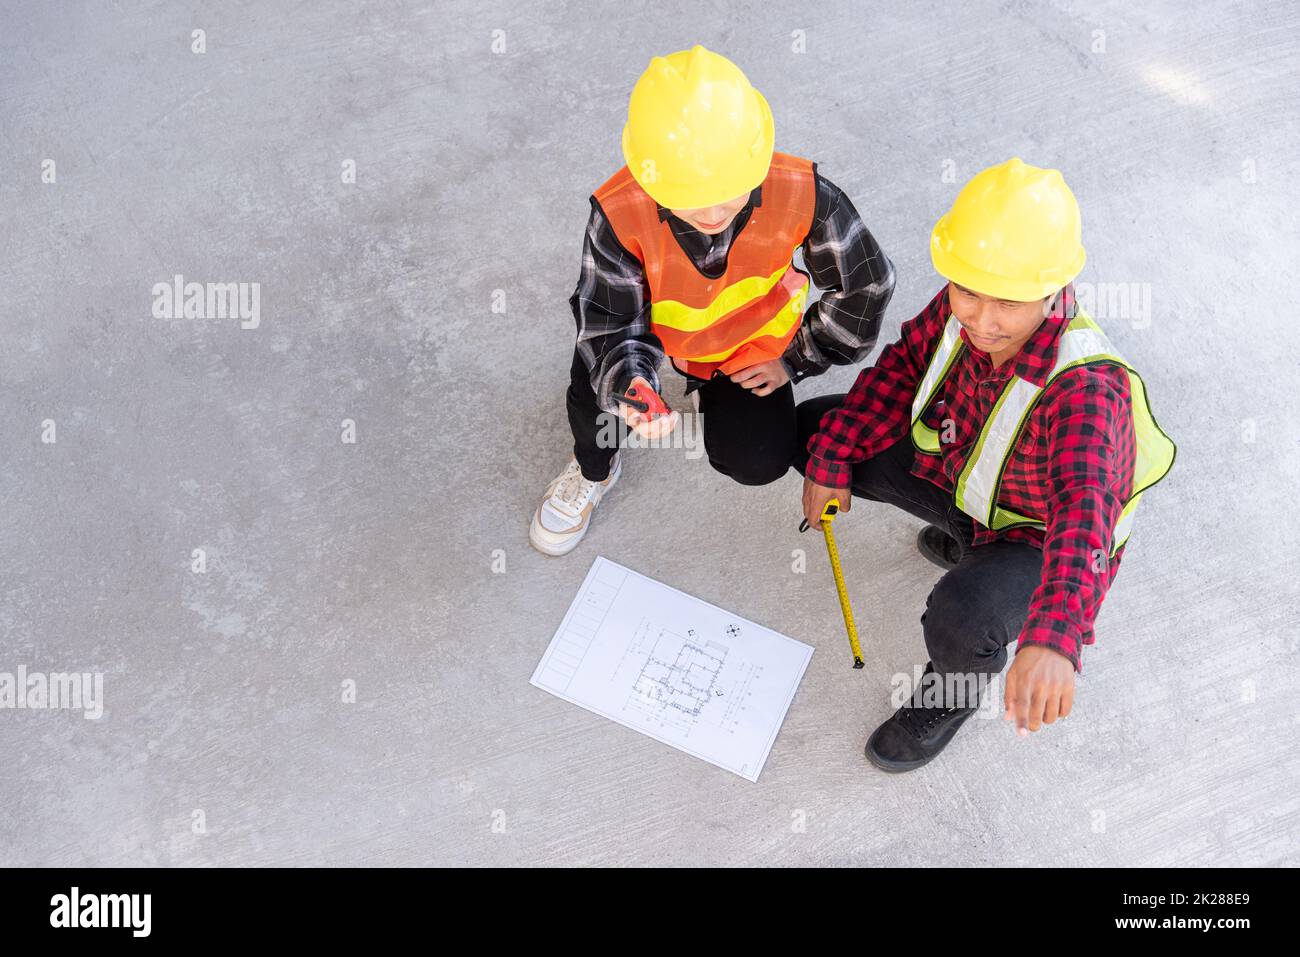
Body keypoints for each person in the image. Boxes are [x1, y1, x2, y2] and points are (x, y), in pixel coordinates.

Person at [796, 158, 1175, 772]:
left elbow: (1084, 517)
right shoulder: (963, 308)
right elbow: (899, 371)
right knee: (815, 431)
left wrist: (1055, 639)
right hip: (964, 487)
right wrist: (833, 455)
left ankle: (953, 691)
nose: (980, 319)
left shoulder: (1086, 389)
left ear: (1053, 291)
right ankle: (965, 541)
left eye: (1007, 302)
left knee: (962, 617)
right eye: (967, 291)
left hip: (1035, 540)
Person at [530, 45, 895, 556]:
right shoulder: (620, 212)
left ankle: (711, 391)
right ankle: (594, 469)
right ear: (649, 174)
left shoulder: (803, 194)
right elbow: (610, 322)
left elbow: (867, 286)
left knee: (759, 459)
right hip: (651, 336)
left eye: (728, 189)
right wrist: (629, 381)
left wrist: (796, 359)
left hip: (748, 349)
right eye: (689, 193)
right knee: (594, 396)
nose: (712, 211)